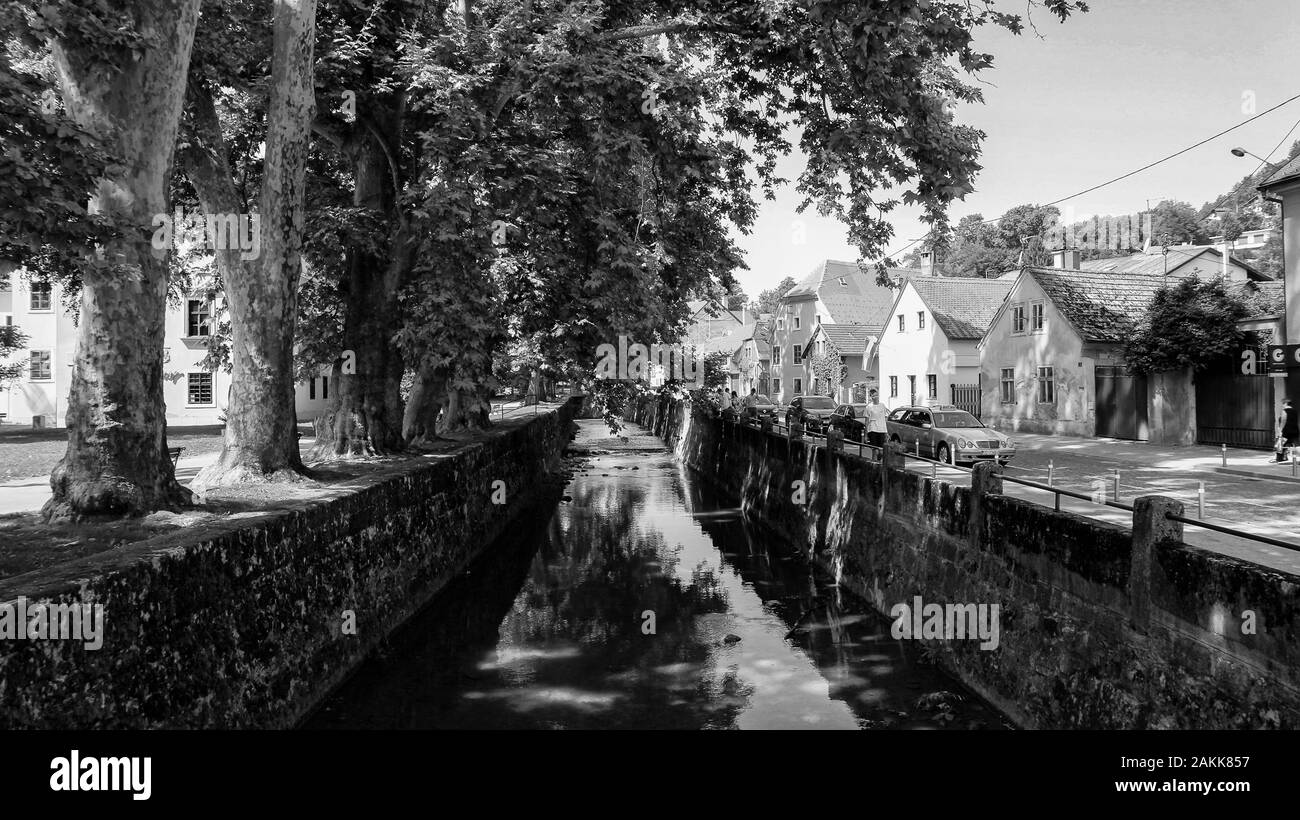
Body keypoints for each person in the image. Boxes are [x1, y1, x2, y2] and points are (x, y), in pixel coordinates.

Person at [864, 388, 889, 453]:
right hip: (872, 430)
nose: (875, 397)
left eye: (876, 395)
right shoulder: (868, 407)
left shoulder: (882, 405)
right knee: (875, 450)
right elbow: (866, 422)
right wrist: (866, 435)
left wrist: (886, 432)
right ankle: (874, 462)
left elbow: (884, 419)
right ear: (871, 397)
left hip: (881, 430)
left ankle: (879, 460)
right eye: (873, 396)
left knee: (881, 451)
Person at [1279, 399, 1298, 463]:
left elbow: (1283, 421)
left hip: (1286, 431)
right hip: (1295, 430)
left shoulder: (1284, 411)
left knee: (1282, 444)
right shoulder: (1295, 411)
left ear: (1285, 404)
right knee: (1293, 444)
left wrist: (1280, 431)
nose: (1282, 405)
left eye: (1283, 404)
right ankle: (1285, 456)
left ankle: (1281, 457)